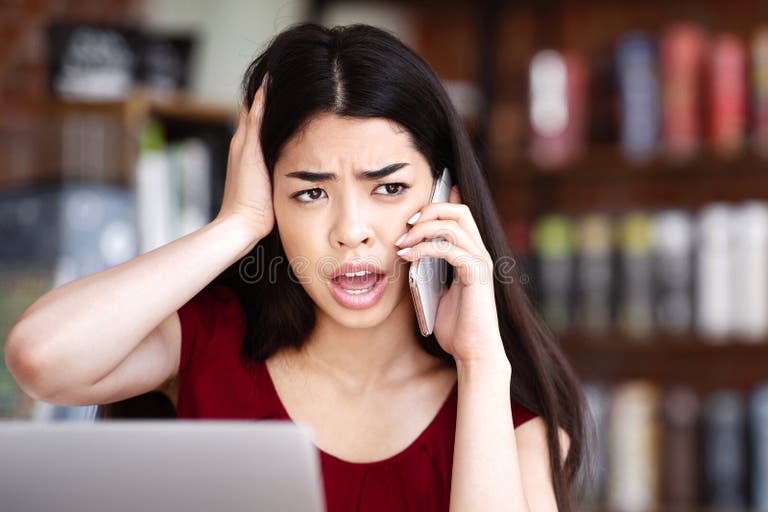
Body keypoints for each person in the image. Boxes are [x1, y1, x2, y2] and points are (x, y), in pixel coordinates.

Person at [5, 22, 590, 512]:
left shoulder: (508, 417)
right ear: (269, 200)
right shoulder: (210, 341)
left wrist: (482, 360)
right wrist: (233, 226)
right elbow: (40, 356)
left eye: (388, 187)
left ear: (446, 197)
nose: (350, 230)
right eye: (310, 193)